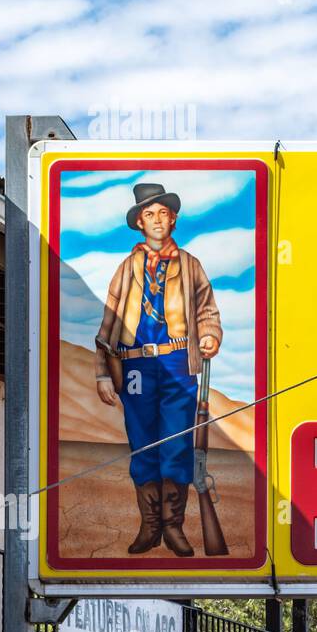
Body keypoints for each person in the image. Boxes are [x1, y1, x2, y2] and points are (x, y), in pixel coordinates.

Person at [93, 182, 222, 556]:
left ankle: (173, 527)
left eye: (162, 213)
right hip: (135, 365)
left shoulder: (190, 266)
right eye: (148, 214)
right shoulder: (127, 269)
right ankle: (150, 527)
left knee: (177, 444)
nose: (156, 220)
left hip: (178, 360)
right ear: (139, 222)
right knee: (143, 445)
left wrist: (210, 335)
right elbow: (108, 323)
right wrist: (103, 371)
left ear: (173, 219)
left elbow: (207, 310)